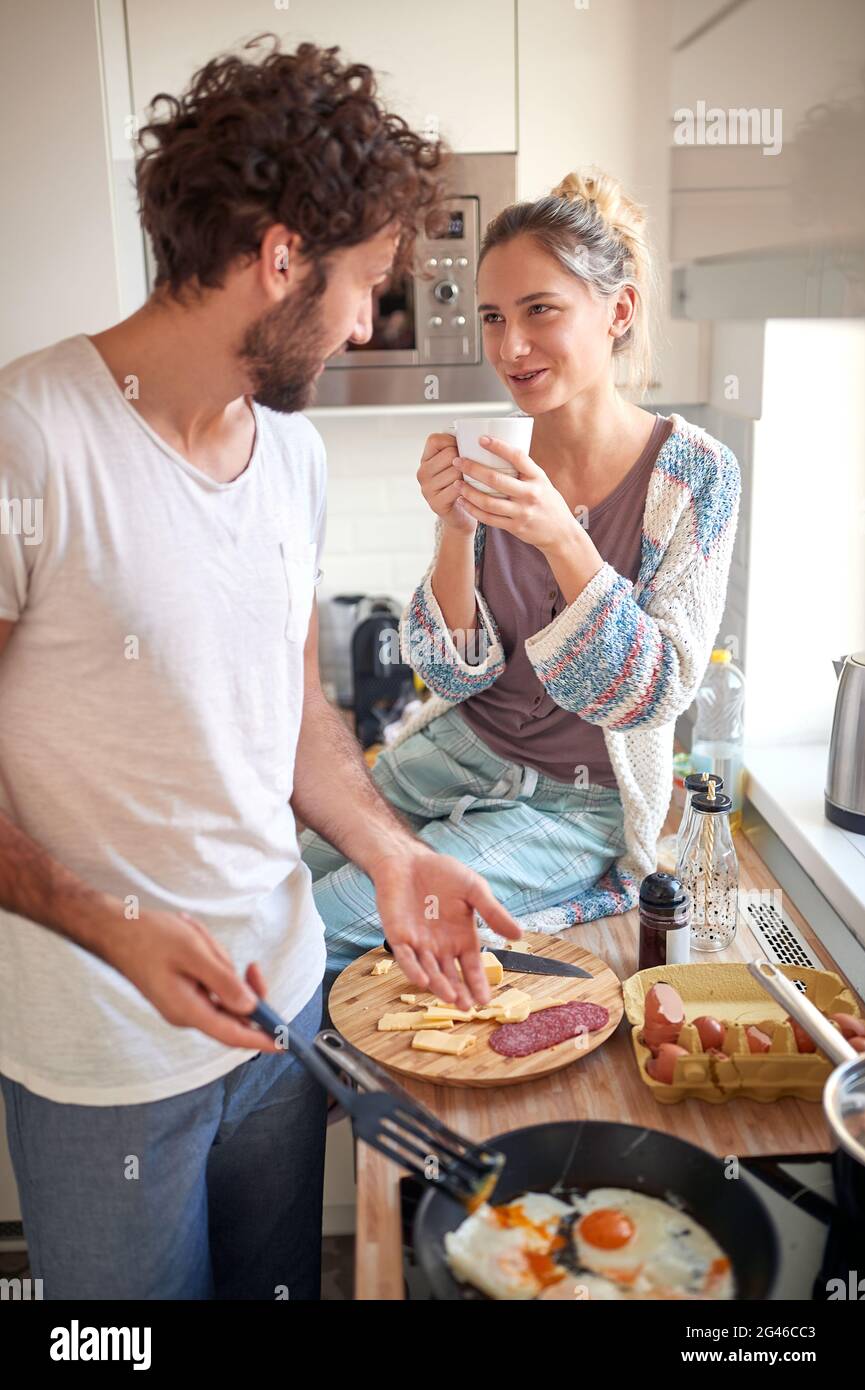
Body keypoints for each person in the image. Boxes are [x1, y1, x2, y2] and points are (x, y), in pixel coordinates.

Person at [0, 37, 520, 1301]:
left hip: (282, 1023)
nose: (363, 322)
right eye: (365, 284)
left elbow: (289, 714)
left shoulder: (293, 457)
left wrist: (390, 854)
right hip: (106, 1058)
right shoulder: (30, 439)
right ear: (280, 256)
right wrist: (110, 928)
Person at [302, 168, 741, 996]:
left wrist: (561, 536)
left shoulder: (695, 476)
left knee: (312, 925)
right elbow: (448, 675)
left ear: (618, 311)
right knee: (276, 884)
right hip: (452, 755)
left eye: (541, 311)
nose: (510, 348)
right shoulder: (498, 449)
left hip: (573, 808)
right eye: (494, 317)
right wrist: (455, 528)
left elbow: (653, 693)